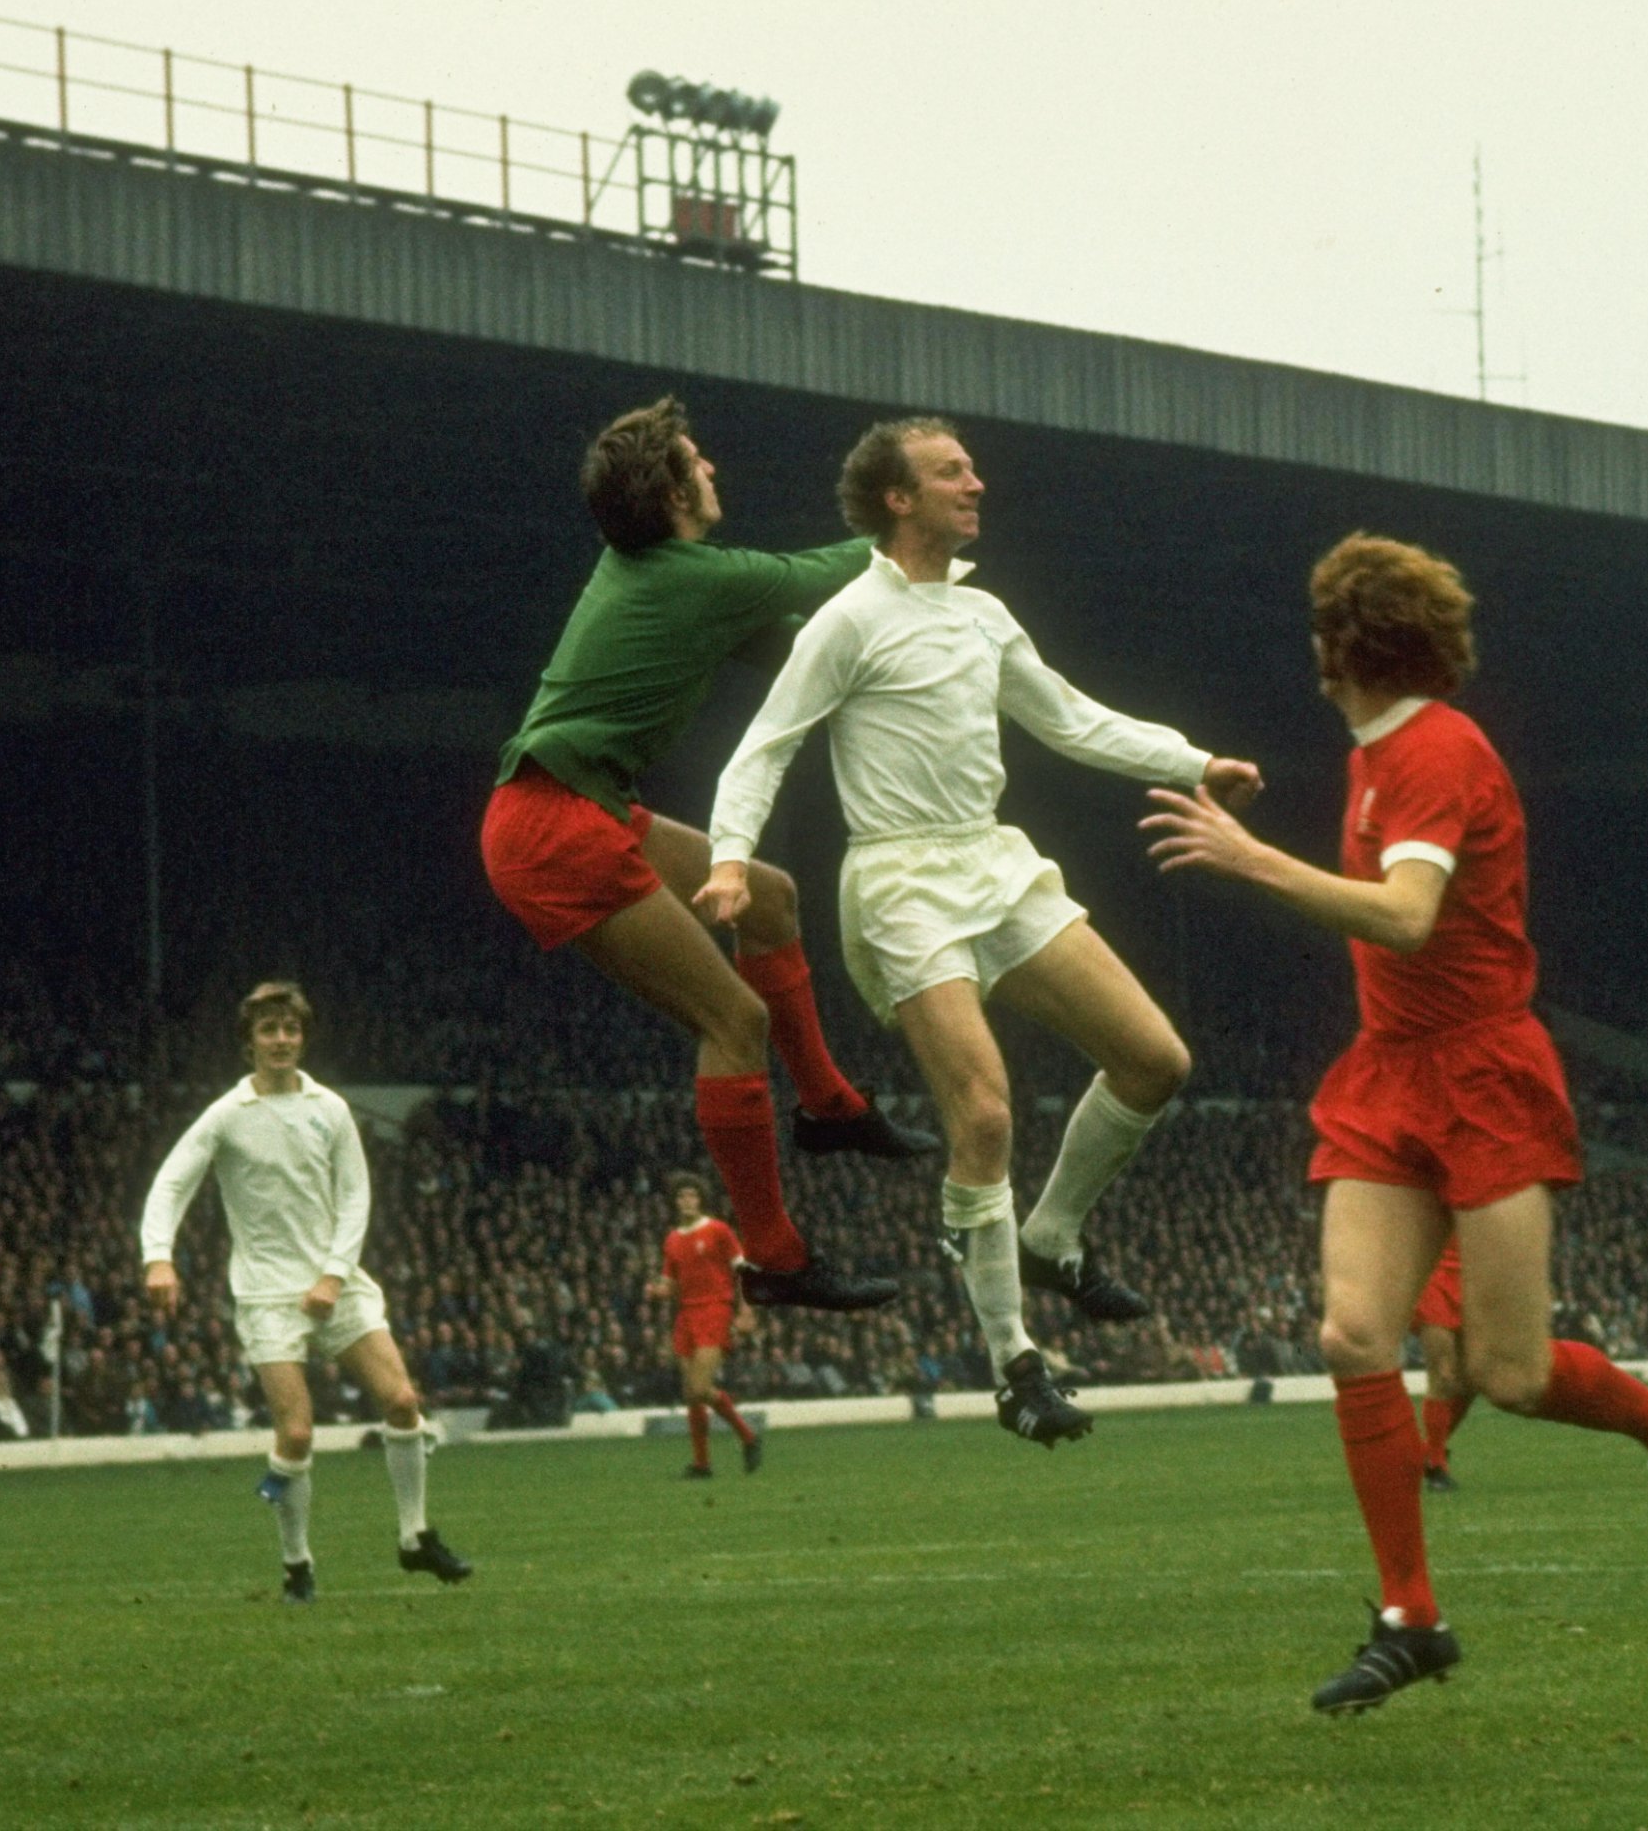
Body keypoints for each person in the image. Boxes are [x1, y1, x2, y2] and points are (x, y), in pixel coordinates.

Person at [1142, 532, 1648, 1715]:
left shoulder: (1436, 751)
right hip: (1391, 1071)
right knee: (1354, 1334)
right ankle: (1411, 1617)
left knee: (1508, 1374)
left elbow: (1408, 917)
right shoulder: (1376, 753)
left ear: (1343, 647)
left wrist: (1251, 861)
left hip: (1483, 1074)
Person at [700, 418, 1262, 1449]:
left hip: (995, 864)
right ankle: (1014, 1364)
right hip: (901, 879)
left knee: (1155, 1060)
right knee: (986, 1113)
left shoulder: (983, 614)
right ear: (898, 498)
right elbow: (763, 747)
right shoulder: (848, 619)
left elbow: (1072, 719)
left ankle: (1052, 1236)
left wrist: (1194, 764)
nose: (976, 484)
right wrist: (731, 857)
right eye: (951, 472)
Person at [480, 394, 925, 1317]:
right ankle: (777, 1258)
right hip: (558, 826)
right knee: (734, 1021)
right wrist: (916, 523)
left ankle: (829, 1108)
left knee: (770, 895)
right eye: (698, 460)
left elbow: (800, 656)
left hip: (569, 807)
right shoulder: (699, 577)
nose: (714, 468)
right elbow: (834, 568)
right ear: (675, 493)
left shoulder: (654, 572)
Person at [141, 982, 472, 1605]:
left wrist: (333, 1275)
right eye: (268, 1030)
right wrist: (158, 1256)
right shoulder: (227, 1115)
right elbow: (171, 1183)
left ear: (303, 1037)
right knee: (295, 1435)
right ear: (249, 1043)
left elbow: (355, 1196)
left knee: (403, 1400)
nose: (281, 1040)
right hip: (268, 1295)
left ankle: (415, 1536)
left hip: (337, 1283)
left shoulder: (331, 1109)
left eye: (290, 1029)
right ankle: (297, 1565)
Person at [648, 1172, 762, 1478]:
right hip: (686, 1314)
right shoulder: (673, 1239)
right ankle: (702, 1464)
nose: (687, 1201)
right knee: (691, 1393)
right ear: (674, 1202)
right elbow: (670, 1284)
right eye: (681, 1196)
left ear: (700, 1200)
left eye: (692, 1195)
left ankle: (748, 1435)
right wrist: (657, 1291)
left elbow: (744, 1271)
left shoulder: (718, 1230)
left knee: (699, 1388)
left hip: (715, 1310)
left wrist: (746, 1311)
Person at [1413, 1239, 1471, 1492]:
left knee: (1471, 1379)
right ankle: (1437, 1466)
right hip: (1432, 1277)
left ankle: (1428, 1453)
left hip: (1472, 1278)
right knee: (1443, 1375)